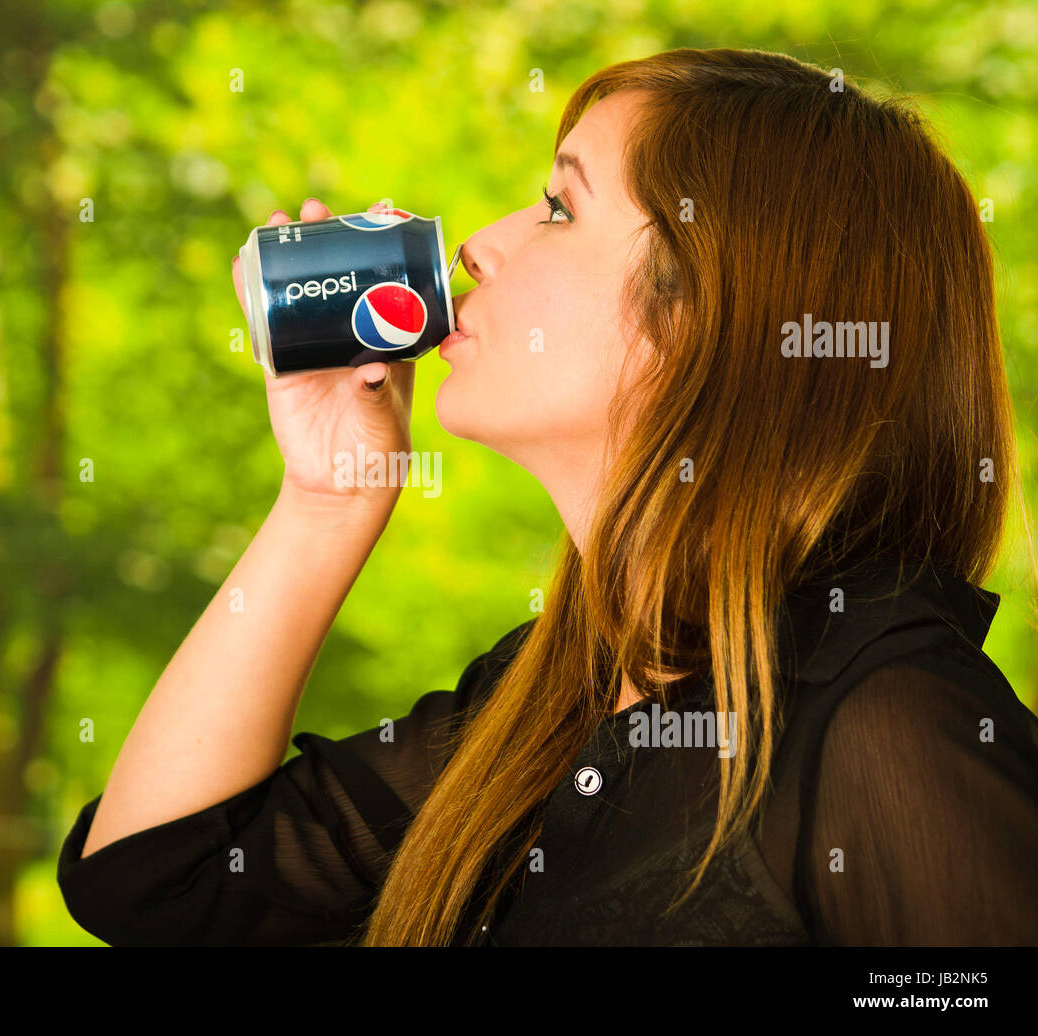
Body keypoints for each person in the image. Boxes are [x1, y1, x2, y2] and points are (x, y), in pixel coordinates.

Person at [57, 48, 1038, 946]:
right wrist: (327, 498)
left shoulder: (886, 723)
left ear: (710, 313)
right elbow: (153, 883)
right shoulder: (548, 704)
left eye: (559, 206)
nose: (478, 243)